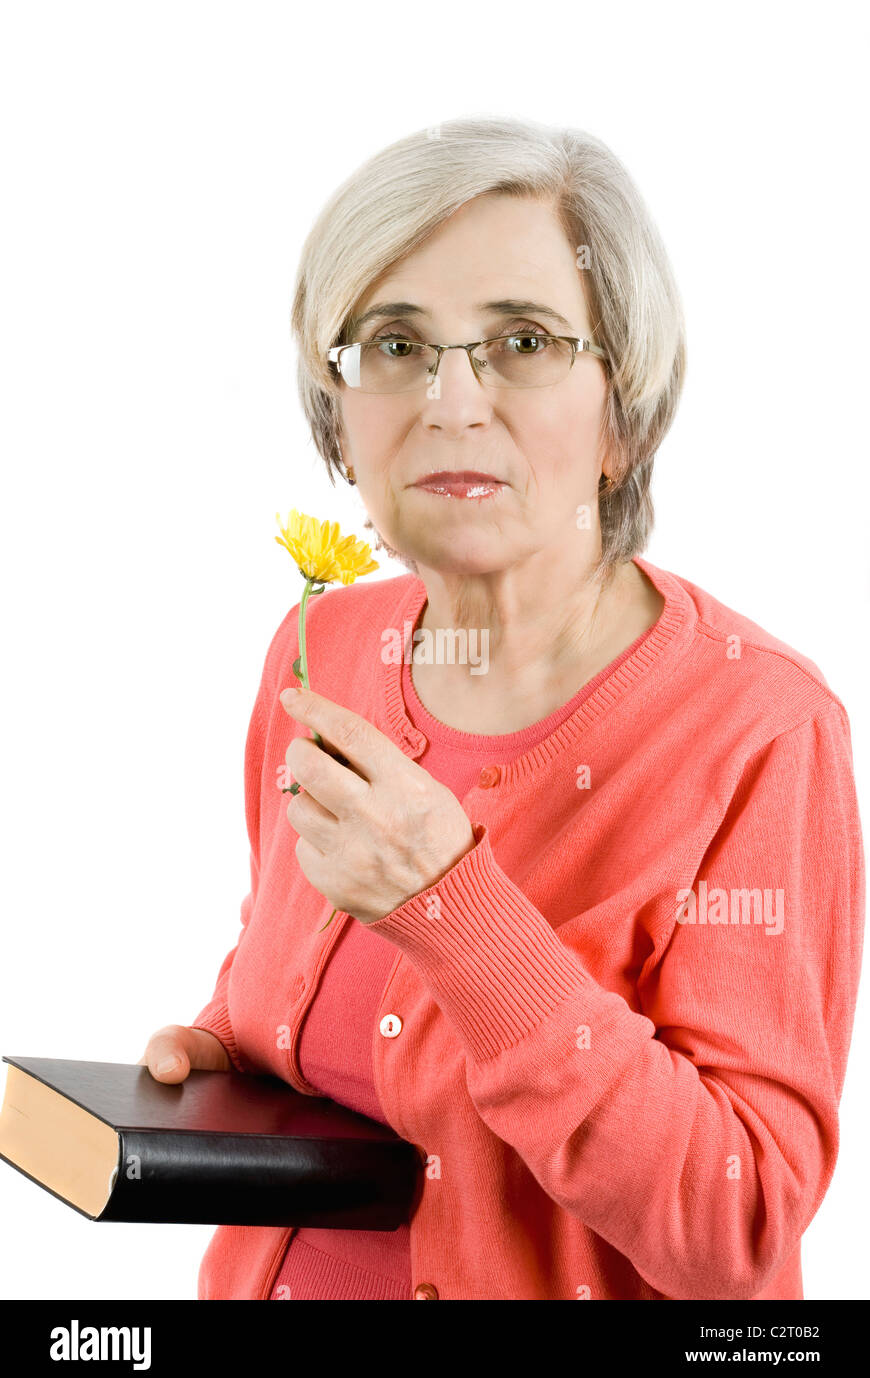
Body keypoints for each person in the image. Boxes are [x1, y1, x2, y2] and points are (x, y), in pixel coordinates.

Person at [139, 115, 864, 1300]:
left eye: (523, 340)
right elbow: (298, 991)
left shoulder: (761, 731)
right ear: (340, 411)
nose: (451, 401)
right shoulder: (320, 646)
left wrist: (455, 905)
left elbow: (738, 1220)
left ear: (622, 412)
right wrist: (233, 1051)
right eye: (395, 344)